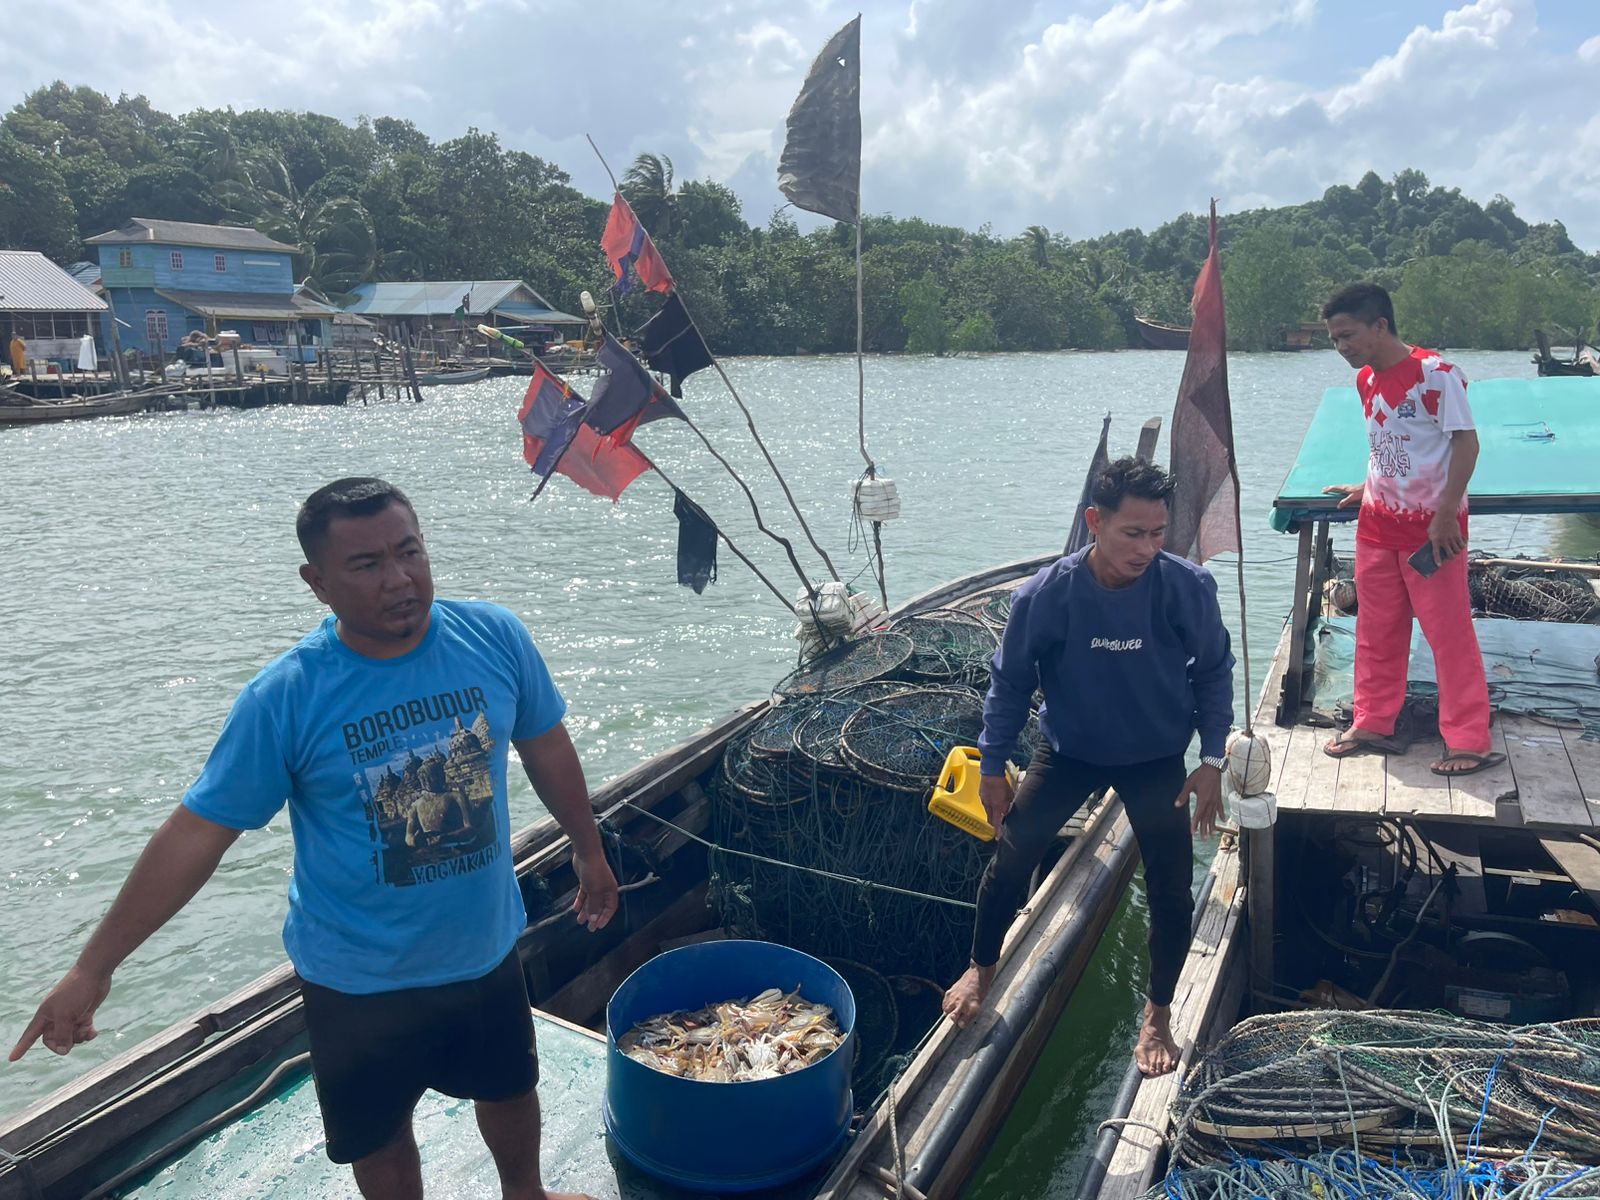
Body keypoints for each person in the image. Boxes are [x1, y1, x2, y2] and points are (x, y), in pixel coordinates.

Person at [10, 478, 617, 1200]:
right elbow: (196, 835)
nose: (398, 580)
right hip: (357, 976)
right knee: (380, 1132)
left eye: (409, 551)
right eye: (365, 565)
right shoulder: (288, 695)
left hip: (481, 949)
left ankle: (527, 1194)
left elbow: (545, 744)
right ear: (317, 583)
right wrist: (94, 968)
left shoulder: (493, 636)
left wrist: (588, 847)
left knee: (511, 1087)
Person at [941, 458, 1234, 1077]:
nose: (1147, 548)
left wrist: (1211, 759)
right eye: (1133, 533)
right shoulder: (1046, 596)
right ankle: (982, 966)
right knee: (1013, 853)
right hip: (1069, 750)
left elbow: (1213, 671)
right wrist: (993, 767)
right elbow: (1010, 684)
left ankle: (1157, 1014)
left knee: (1171, 886)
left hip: (1155, 756)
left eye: (1158, 533)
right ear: (1093, 522)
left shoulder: (1187, 587)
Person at [1319, 283, 1498, 776]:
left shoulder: (1434, 375)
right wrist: (1370, 484)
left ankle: (1469, 740)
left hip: (1433, 532)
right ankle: (1373, 720)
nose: (1342, 348)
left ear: (1380, 325)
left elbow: (1466, 446)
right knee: (1376, 631)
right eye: (1335, 340)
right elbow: (1392, 444)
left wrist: (1444, 516)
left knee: (1448, 635)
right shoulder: (1366, 382)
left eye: (1348, 335)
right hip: (1377, 525)